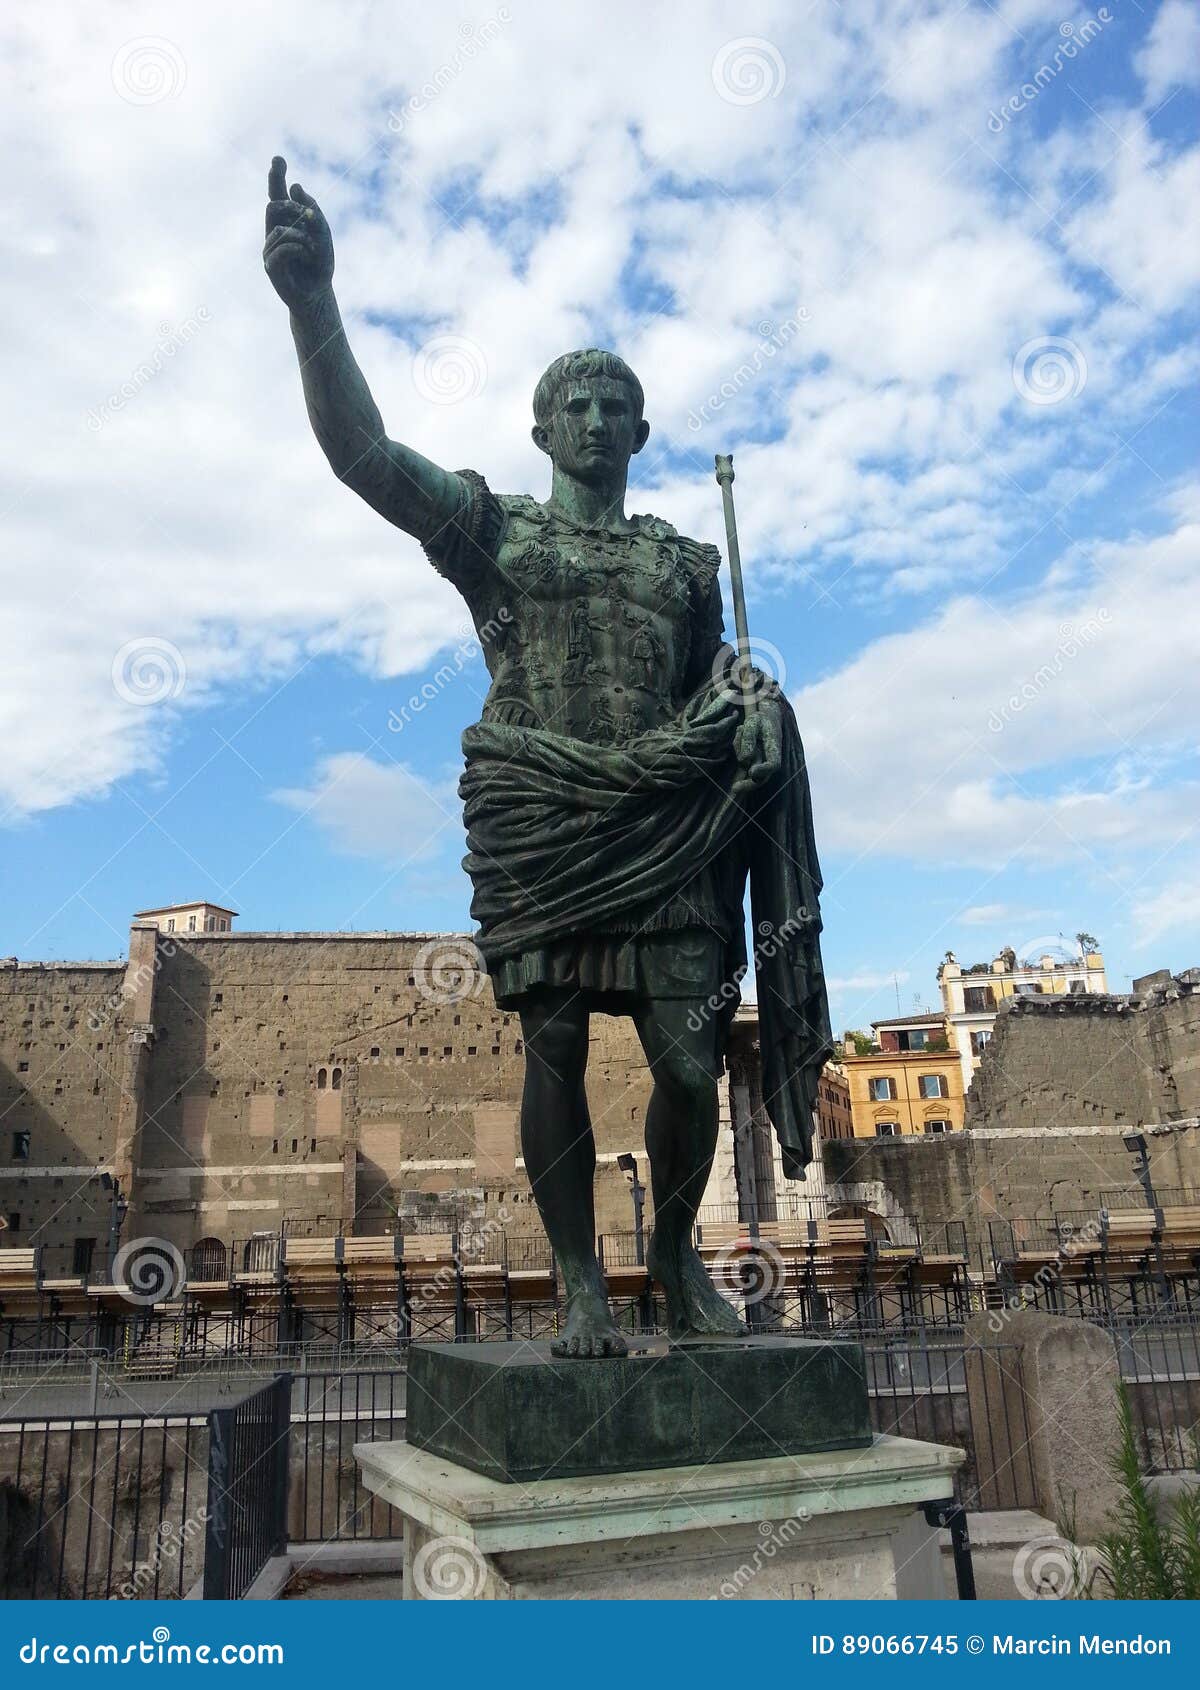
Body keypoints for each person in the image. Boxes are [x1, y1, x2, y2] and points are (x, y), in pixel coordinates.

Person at [265, 158, 830, 1357]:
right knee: (556, 1045)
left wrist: (753, 706)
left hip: (667, 825)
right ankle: (580, 1282)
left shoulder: (683, 564)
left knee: (687, 1065)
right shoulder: (496, 532)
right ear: (541, 429)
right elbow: (365, 456)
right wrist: (314, 305)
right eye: (575, 403)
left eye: (615, 405)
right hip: (546, 823)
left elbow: (716, 686)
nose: (595, 419)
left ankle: (673, 1256)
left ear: (640, 432)